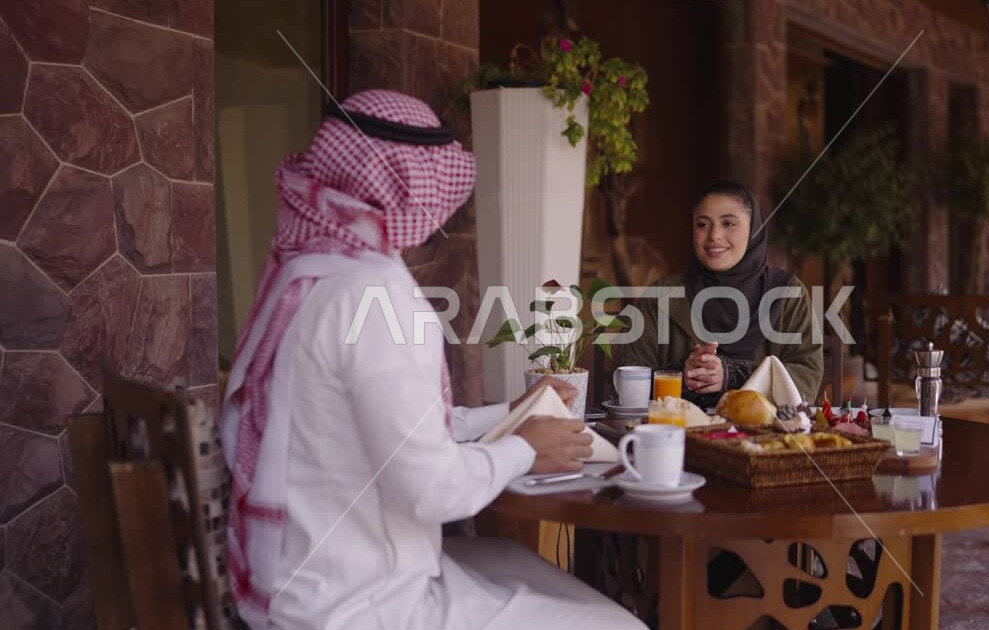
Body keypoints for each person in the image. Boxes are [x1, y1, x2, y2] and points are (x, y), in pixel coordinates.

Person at [220, 90, 646, 630]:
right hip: (356, 605)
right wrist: (523, 450)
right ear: (407, 185)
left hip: (296, 579)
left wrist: (510, 412)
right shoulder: (370, 292)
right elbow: (432, 490)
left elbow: (395, 431)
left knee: (525, 567)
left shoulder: (305, 269)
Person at [616, 181, 823, 408]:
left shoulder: (787, 293)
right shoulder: (662, 295)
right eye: (702, 224)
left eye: (728, 223)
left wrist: (732, 375)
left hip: (763, 435)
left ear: (754, 230)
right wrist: (682, 375)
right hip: (677, 433)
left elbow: (807, 377)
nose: (714, 235)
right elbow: (627, 378)